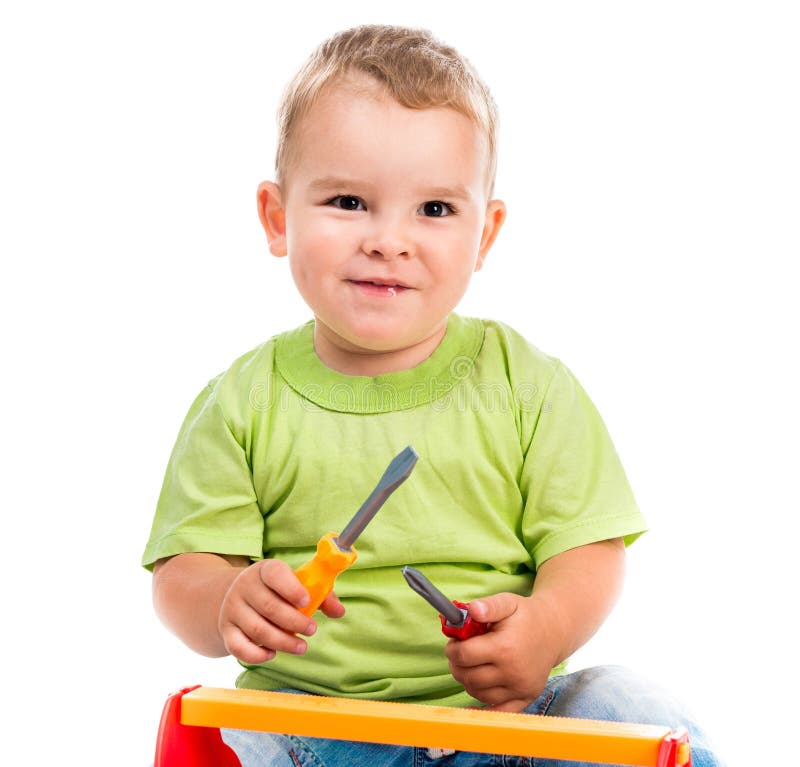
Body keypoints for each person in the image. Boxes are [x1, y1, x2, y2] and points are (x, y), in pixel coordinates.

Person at [142, 24, 724, 767]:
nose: (389, 240)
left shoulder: (527, 383)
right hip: (308, 725)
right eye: (349, 201)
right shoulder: (240, 401)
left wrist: (543, 627)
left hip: (509, 722)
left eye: (436, 210)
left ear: (486, 235)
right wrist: (225, 601)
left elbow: (590, 550)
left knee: (633, 709)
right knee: (221, 735)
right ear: (278, 217)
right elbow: (184, 571)